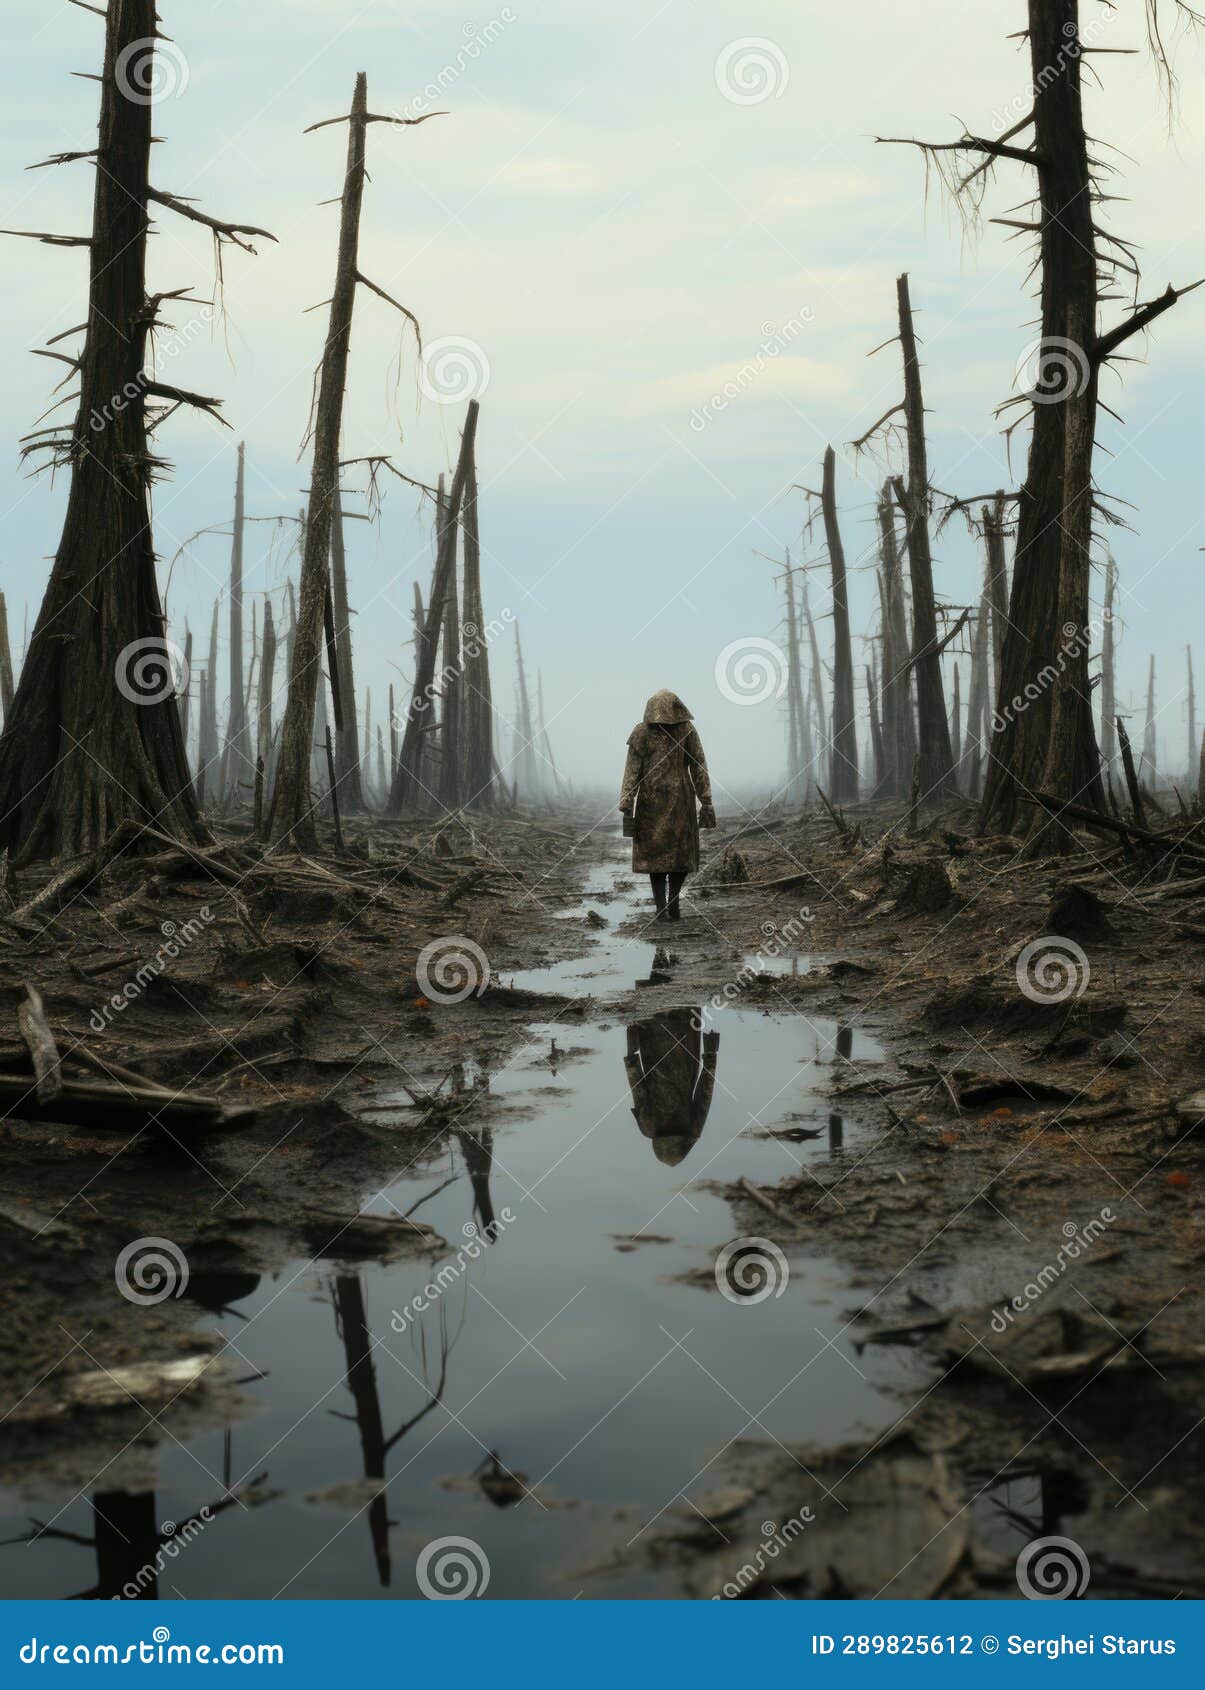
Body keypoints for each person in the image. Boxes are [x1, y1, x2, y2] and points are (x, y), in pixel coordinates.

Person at [618, 689, 715, 920]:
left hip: (654, 801)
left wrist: (627, 802)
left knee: (657, 856)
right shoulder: (683, 730)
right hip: (677, 800)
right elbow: (699, 766)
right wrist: (706, 800)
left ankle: (664, 907)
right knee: (676, 854)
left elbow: (632, 772)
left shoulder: (653, 731)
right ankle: (670, 904)